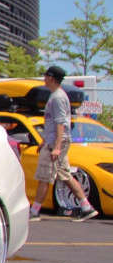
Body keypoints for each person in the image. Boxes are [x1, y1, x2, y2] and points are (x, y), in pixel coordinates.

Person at [29, 65, 98, 222]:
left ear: (51, 78)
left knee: (44, 176)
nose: (44, 79)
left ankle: (34, 211)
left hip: (56, 143)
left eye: (46, 76)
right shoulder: (56, 96)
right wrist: (44, 141)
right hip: (53, 141)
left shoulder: (58, 98)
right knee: (65, 175)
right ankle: (86, 207)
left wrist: (57, 147)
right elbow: (53, 123)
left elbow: (61, 123)